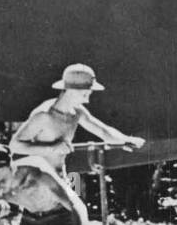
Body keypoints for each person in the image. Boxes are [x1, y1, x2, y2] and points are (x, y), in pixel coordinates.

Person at [9, 63, 144, 175]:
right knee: (78, 207)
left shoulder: (77, 112)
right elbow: (14, 145)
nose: (87, 100)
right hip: (38, 179)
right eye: (85, 94)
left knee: (77, 200)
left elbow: (103, 132)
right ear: (71, 91)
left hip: (62, 174)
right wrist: (52, 149)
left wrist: (125, 140)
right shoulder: (44, 115)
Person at [0, 145, 89, 225]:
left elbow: (75, 203)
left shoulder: (37, 172)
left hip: (61, 218)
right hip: (29, 220)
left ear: (12, 167)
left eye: (2, 180)